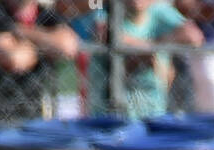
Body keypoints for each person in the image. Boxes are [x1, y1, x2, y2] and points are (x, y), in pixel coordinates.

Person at [74, 0, 203, 119]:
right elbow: (108, 35)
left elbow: (194, 37)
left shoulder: (160, 12)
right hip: (107, 116)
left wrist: (152, 47)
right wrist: (151, 50)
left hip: (153, 114)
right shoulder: (104, 11)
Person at [0, 0, 79, 121]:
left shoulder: (47, 15)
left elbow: (67, 47)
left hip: (33, 115)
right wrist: (46, 46)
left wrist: (22, 32)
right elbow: (14, 59)